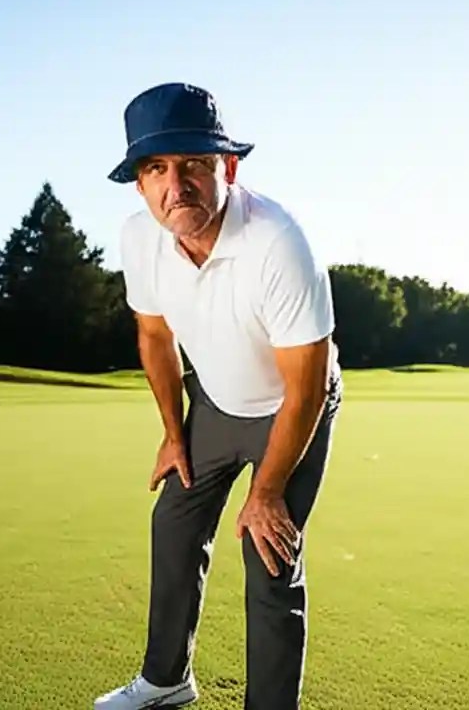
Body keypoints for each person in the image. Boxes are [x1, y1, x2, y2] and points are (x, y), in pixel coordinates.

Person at [93, 83, 343, 710]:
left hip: (292, 410)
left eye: (194, 165)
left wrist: (265, 493)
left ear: (226, 169)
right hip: (213, 406)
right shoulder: (138, 239)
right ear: (140, 184)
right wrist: (174, 434)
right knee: (173, 524)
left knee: (270, 555)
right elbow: (154, 336)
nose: (175, 185)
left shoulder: (279, 242)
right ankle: (166, 680)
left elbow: (307, 383)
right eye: (156, 169)